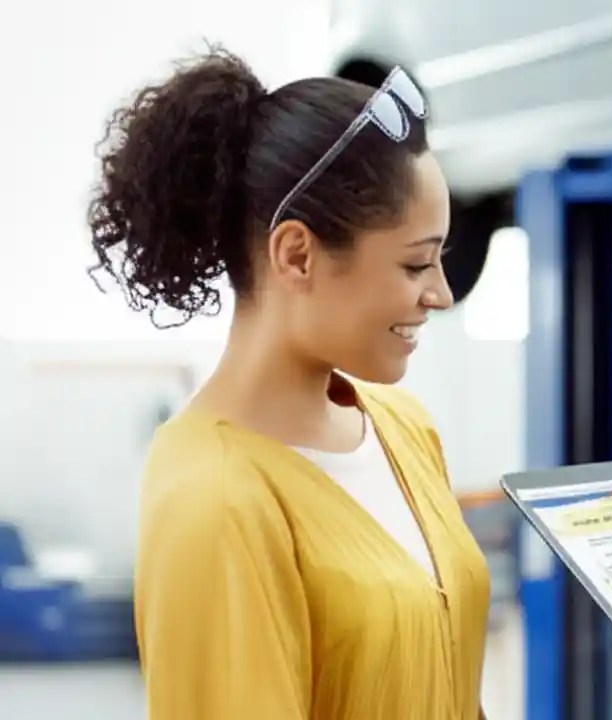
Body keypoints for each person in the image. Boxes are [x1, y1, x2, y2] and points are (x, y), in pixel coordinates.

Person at [87, 47, 491, 719]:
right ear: (297, 255)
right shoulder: (217, 498)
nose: (441, 295)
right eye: (417, 265)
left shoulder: (404, 429)